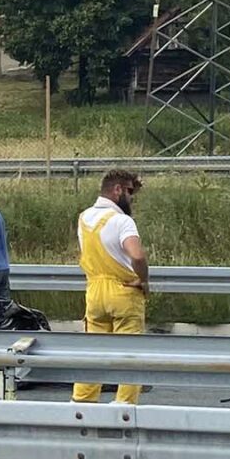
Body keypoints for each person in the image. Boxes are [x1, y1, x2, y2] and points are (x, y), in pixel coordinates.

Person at [72, 170, 149, 405]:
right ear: (118, 190)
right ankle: (124, 406)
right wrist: (143, 279)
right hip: (124, 290)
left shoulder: (84, 218)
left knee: (93, 353)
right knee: (129, 354)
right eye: (130, 192)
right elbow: (137, 255)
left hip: (94, 291)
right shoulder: (122, 221)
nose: (132, 198)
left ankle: (82, 403)